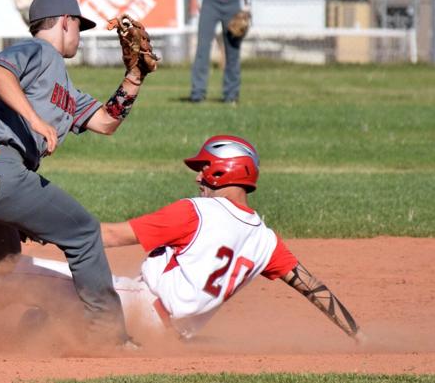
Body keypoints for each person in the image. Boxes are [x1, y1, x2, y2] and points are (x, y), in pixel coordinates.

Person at [0, 0, 151, 348]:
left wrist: (134, 77)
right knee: (84, 232)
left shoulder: (66, 89)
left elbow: (106, 122)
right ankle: (108, 336)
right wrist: (35, 120)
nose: (79, 37)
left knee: (3, 256)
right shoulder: (39, 51)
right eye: (79, 27)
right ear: (66, 22)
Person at [99, 135, 363, 341]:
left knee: (70, 272)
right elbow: (312, 287)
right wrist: (358, 335)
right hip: (168, 334)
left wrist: (70, 231)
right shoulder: (265, 241)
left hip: (136, 305)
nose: (198, 177)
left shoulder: (195, 212)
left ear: (222, 171)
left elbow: (110, 236)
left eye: (204, 168)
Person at [188, 0, 256, 104]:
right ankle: (197, 93)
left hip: (233, 1)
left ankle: (231, 94)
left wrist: (247, 7)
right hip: (210, 0)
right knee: (203, 48)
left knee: (233, 49)